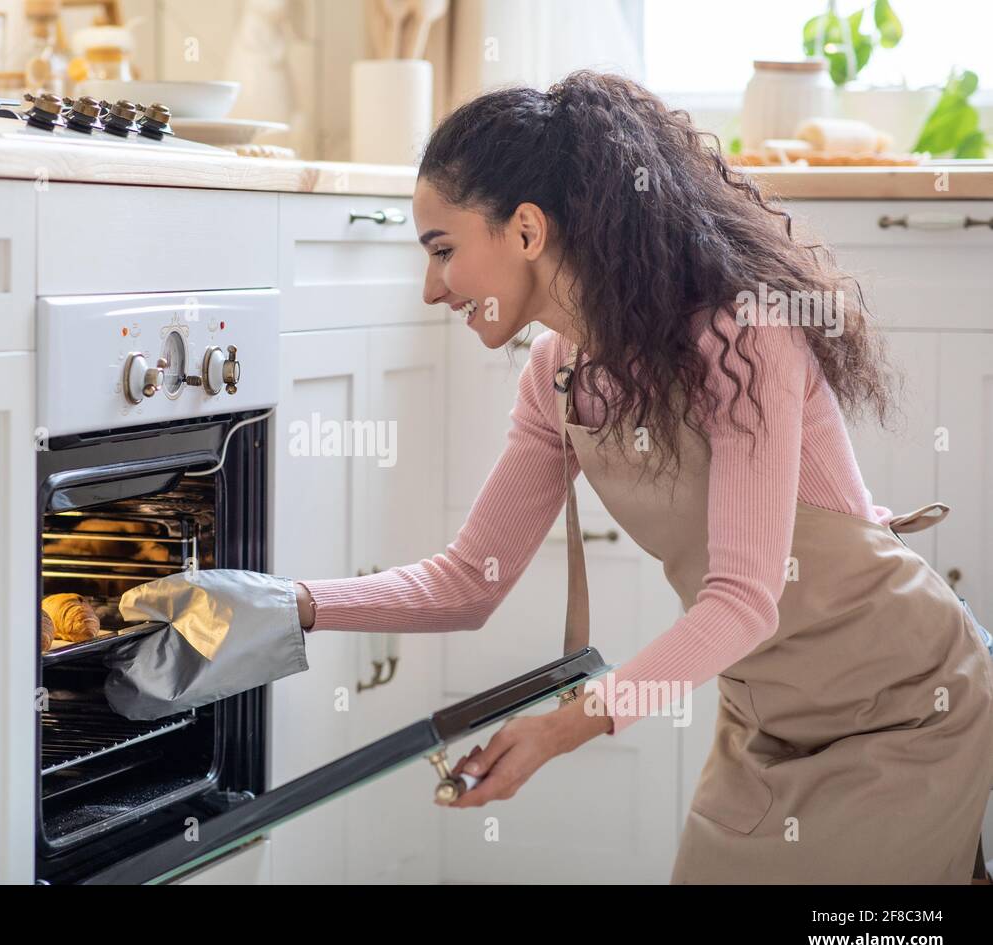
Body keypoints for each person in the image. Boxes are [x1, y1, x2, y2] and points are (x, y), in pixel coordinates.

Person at [291, 71, 993, 884]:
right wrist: (288, 607)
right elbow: (467, 583)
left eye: (444, 251)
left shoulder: (743, 339)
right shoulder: (556, 377)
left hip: (905, 713)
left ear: (525, 230)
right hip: (766, 722)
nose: (431, 287)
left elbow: (742, 601)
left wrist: (564, 730)